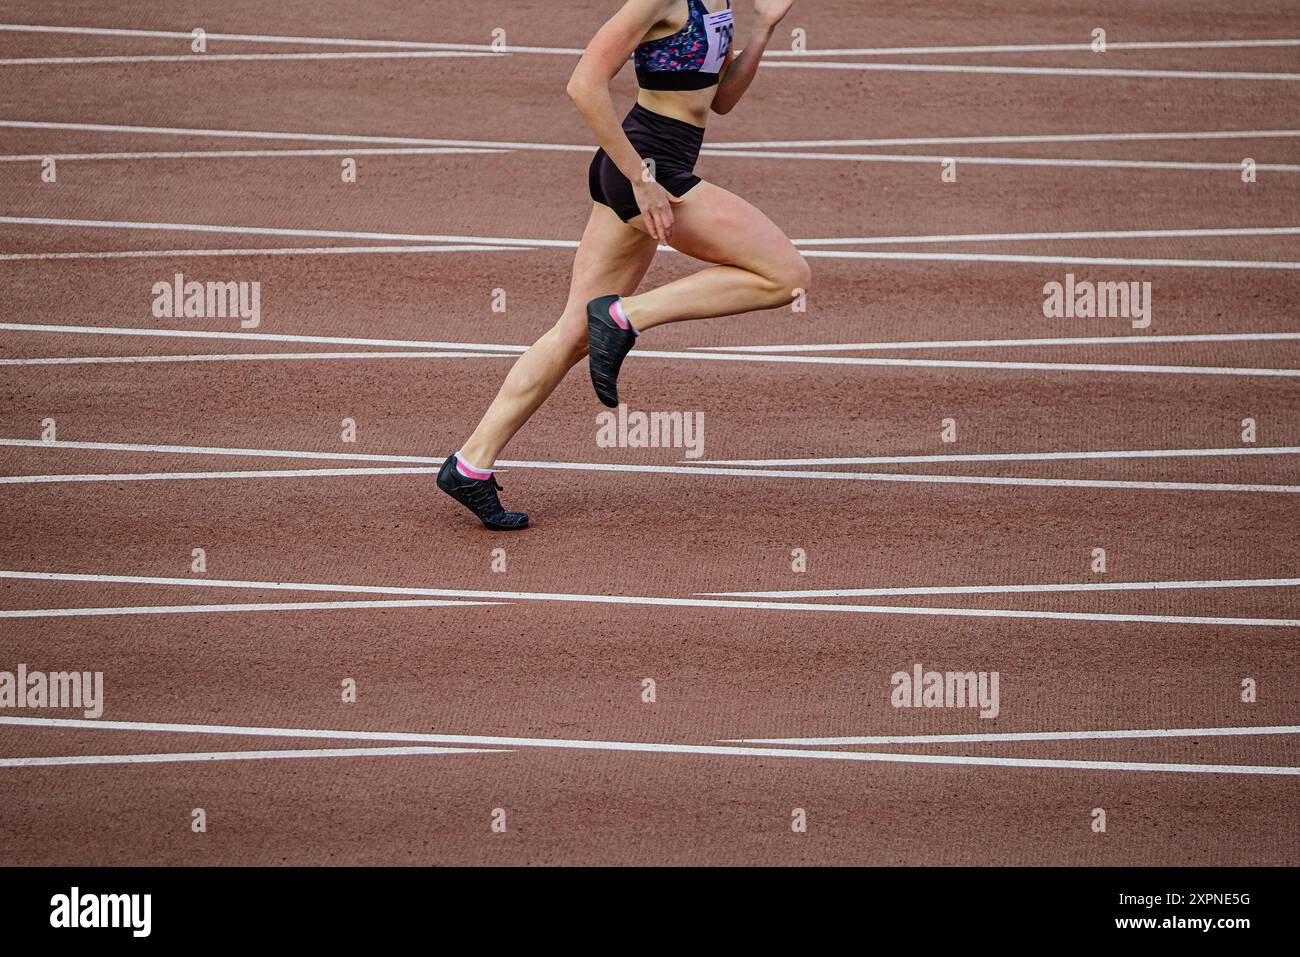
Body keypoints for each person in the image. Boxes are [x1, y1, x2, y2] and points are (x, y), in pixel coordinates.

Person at [439, 0, 807, 529]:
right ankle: (624, 317)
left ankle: (470, 465)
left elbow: (720, 100)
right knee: (787, 275)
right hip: (645, 169)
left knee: (572, 331)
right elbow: (583, 84)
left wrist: (765, 28)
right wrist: (642, 179)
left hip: (657, 166)